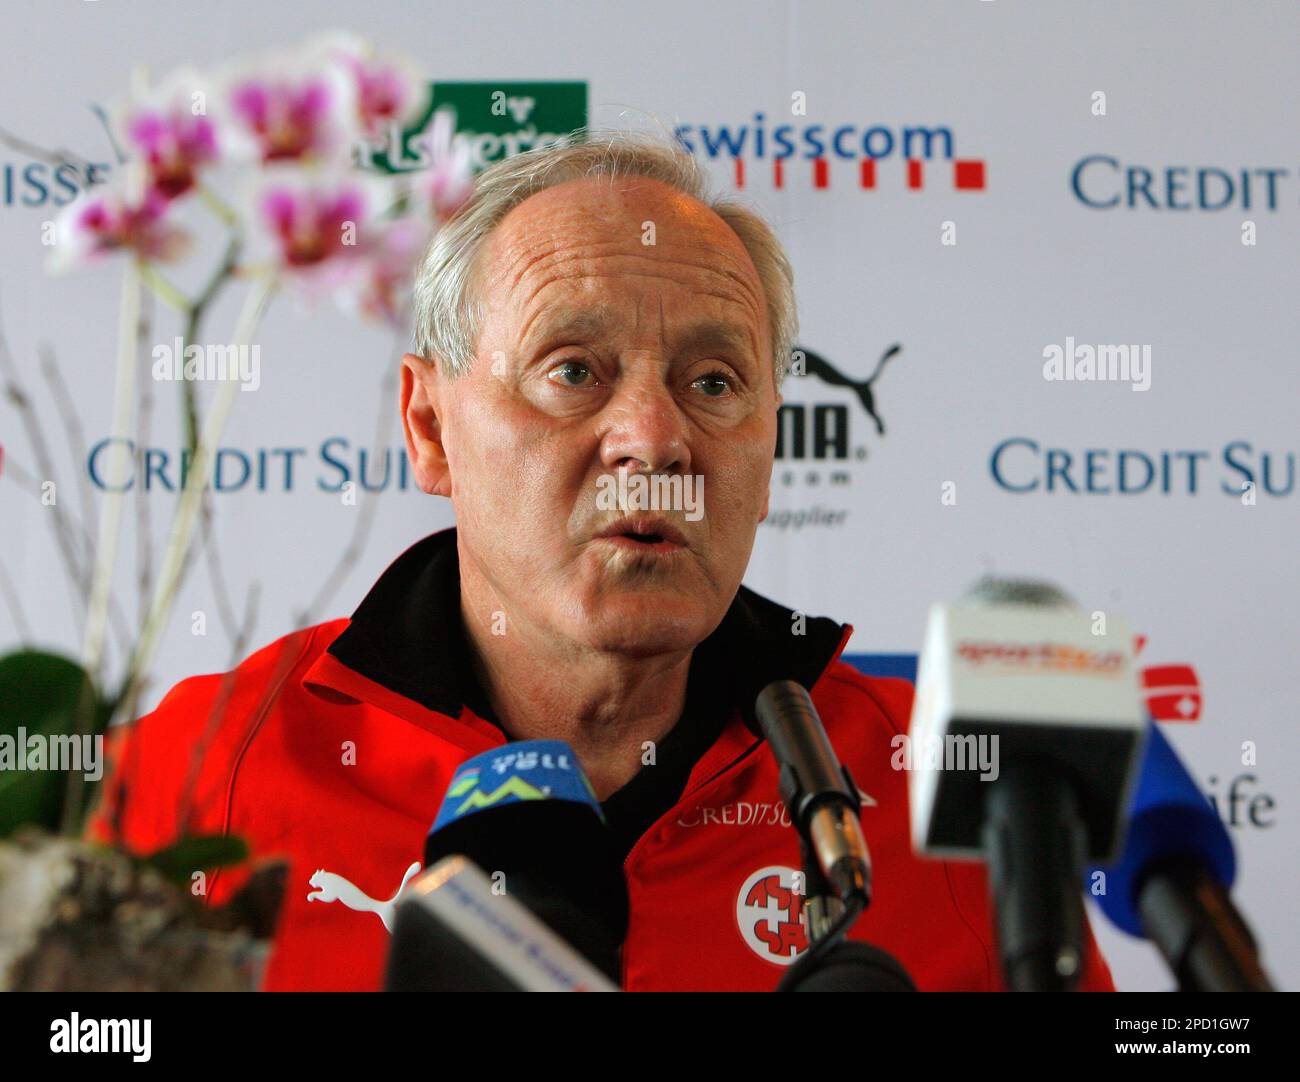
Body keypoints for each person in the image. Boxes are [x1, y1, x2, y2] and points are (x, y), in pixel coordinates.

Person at [89, 130, 1115, 991]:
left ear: (768, 452)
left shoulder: (948, 799)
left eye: (714, 381)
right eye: (572, 369)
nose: (653, 437)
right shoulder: (190, 780)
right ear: (429, 425)